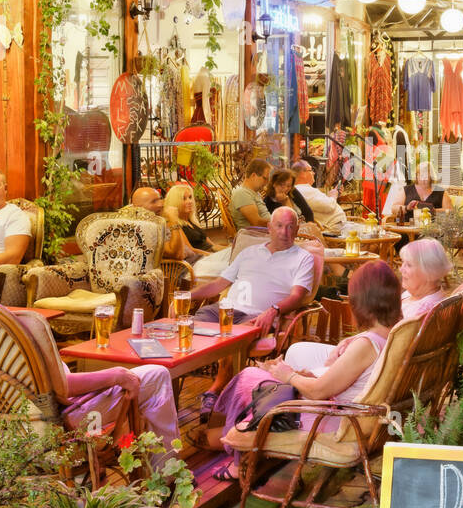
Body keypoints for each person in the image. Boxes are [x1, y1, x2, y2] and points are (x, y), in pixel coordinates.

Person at [0, 265, 178, 453]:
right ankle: (167, 482)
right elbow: (62, 390)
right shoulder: (8, 331)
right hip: (40, 426)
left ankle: (109, 468)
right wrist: (117, 374)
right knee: (155, 375)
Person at [199, 260, 401, 479]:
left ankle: (233, 454)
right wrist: (304, 376)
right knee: (263, 380)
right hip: (350, 415)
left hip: (331, 421)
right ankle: (227, 439)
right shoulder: (391, 334)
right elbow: (348, 381)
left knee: (249, 378)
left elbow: (317, 392)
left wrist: (289, 375)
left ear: (360, 302)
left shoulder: (366, 344)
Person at [189, 207, 318, 406]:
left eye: (290, 227)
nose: (285, 232)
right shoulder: (249, 253)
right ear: (269, 228)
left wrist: (273, 310)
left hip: (257, 316)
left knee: (231, 338)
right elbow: (218, 285)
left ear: (297, 229)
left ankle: (215, 391)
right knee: (187, 327)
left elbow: (297, 297)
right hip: (224, 310)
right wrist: (187, 296)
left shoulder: (303, 258)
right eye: (279, 226)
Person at [399, 238, 453, 319]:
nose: (401, 269)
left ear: (429, 272)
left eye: (409, 265)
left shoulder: (418, 314)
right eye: (403, 262)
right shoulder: (416, 294)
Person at [162, 181, 214, 259]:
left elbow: (212, 245)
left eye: (190, 197)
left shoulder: (192, 221)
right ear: (175, 202)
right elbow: (191, 250)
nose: (190, 201)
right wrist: (213, 256)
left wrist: (228, 249)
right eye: (184, 199)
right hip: (200, 259)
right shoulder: (174, 224)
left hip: (209, 255)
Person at [292, 160, 347, 231]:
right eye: (311, 170)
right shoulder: (303, 190)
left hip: (336, 224)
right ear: (303, 174)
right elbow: (329, 206)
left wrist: (334, 194)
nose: (314, 173)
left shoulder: (303, 189)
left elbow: (321, 204)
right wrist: (333, 195)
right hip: (333, 227)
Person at [229, 158, 271, 230]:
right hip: (254, 237)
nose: (267, 182)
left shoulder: (254, 193)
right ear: (253, 175)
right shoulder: (242, 193)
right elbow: (256, 222)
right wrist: (279, 223)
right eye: (265, 178)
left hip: (265, 235)